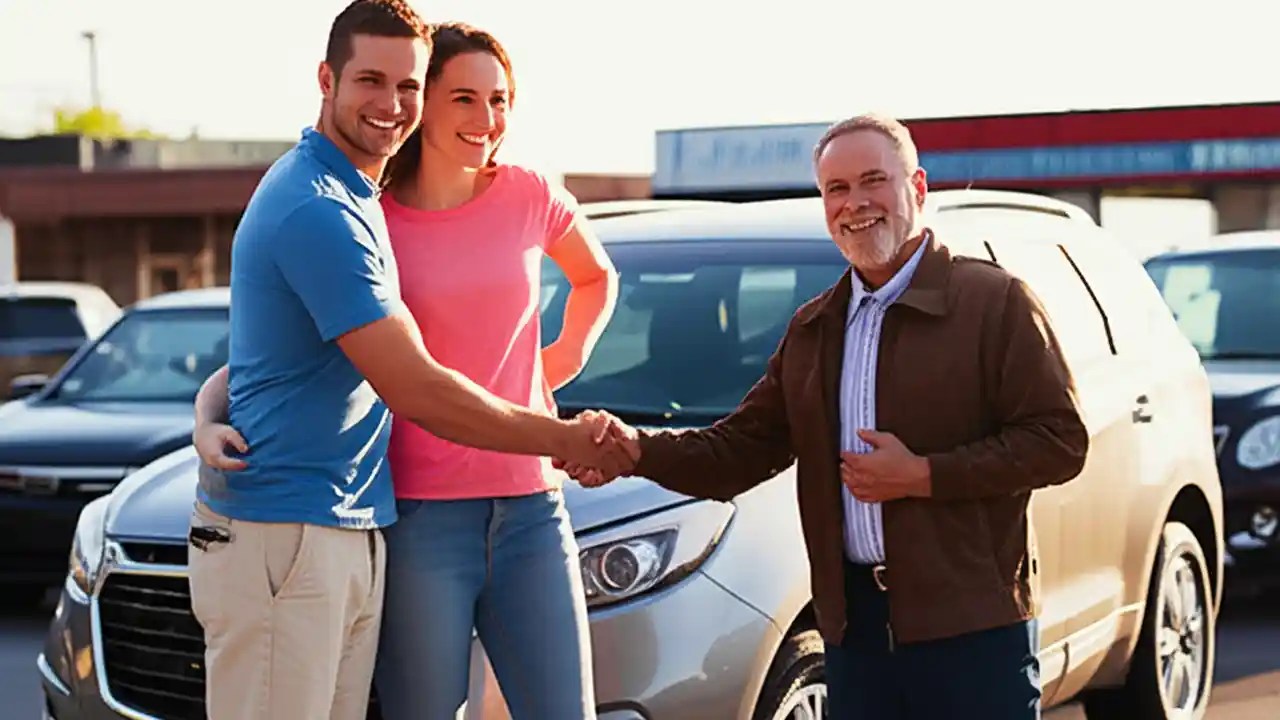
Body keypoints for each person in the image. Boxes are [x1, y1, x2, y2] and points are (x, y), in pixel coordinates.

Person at [560, 113, 1091, 719]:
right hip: (857, 635)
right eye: (836, 189)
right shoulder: (816, 328)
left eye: (873, 181)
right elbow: (740, 449)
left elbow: (1059, 440)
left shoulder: (995, 303)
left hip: (972, 629)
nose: (855, 204)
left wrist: (922, 475)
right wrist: (633, 448)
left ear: (916, 188)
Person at [185, 4, 627, 720]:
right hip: (383, 513)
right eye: (461, 97)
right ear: (327, 80)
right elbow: (404, 384)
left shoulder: (367, 197)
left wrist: (556, 367)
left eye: (407, 86)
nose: (392, 104)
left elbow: (278, 356)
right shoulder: (340, 212)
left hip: (453, 510)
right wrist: (567, 437)